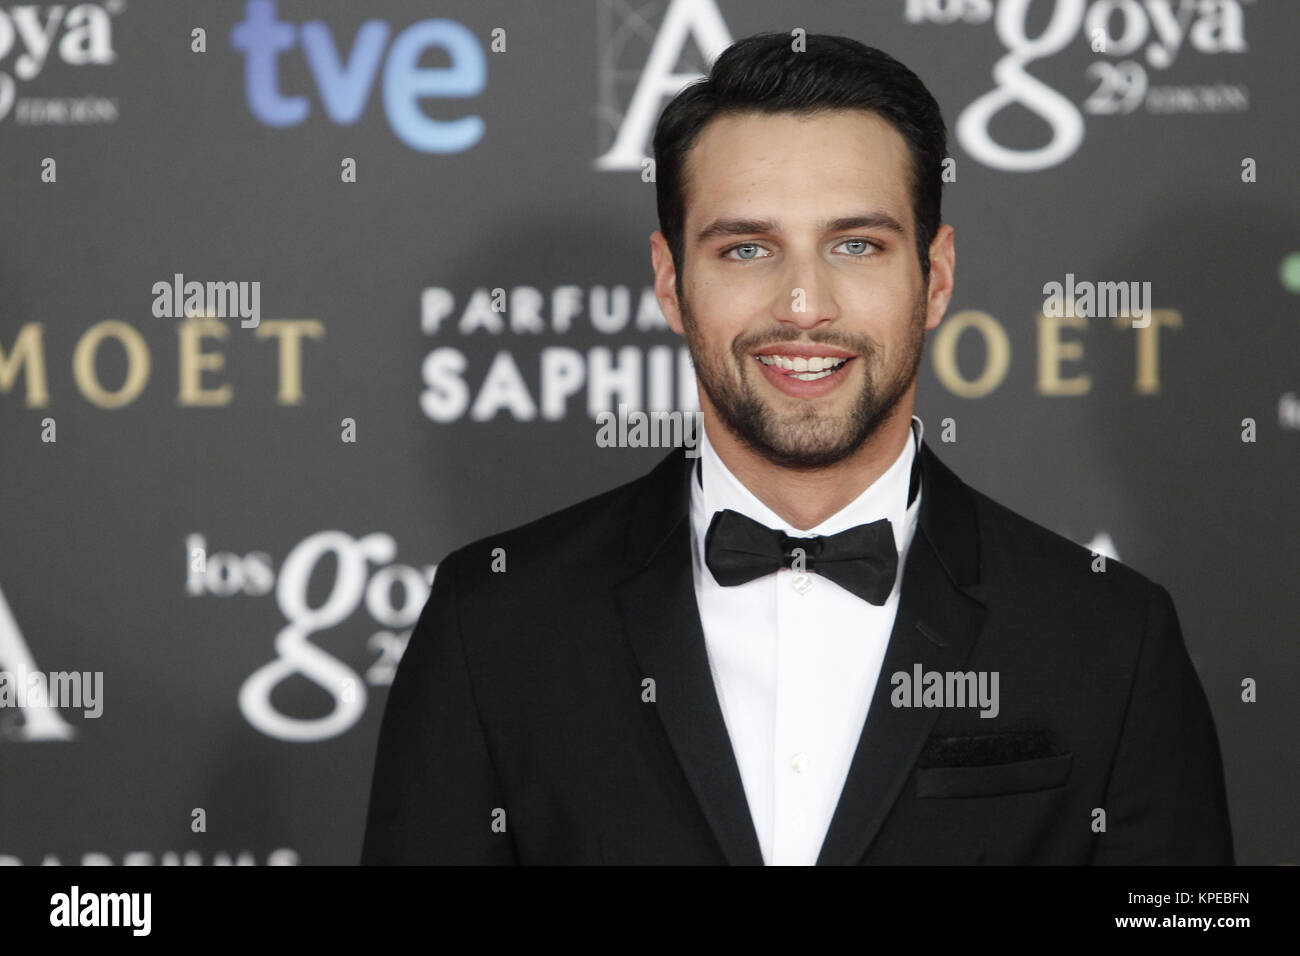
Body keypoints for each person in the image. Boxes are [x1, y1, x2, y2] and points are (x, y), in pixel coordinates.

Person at [360, 33, 1232, 865]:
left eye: (856, 245)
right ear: (671, 283)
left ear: (937, 277)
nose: (805, 303)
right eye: (747, 248)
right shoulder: (494, 624)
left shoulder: (1110, 639)